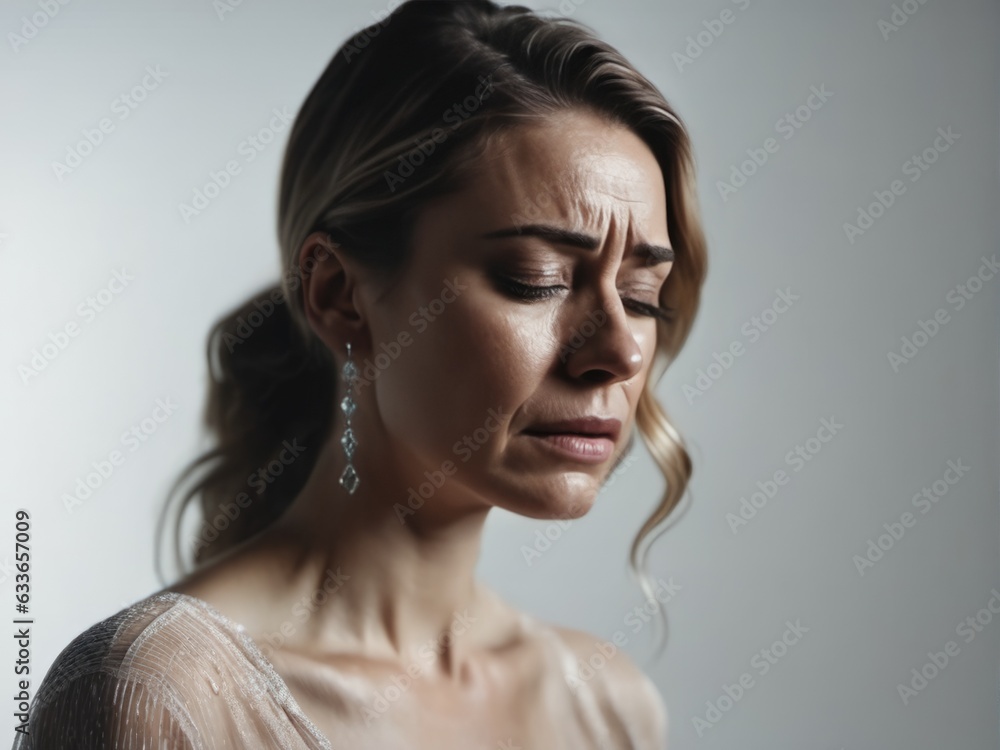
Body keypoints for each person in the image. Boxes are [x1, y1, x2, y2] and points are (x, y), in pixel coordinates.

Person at [12, 0, 707, 747]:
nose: (623, 352)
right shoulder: (156, 696)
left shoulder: (606, 709)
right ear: (339, 296)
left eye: (641, 296)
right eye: (536, 278)